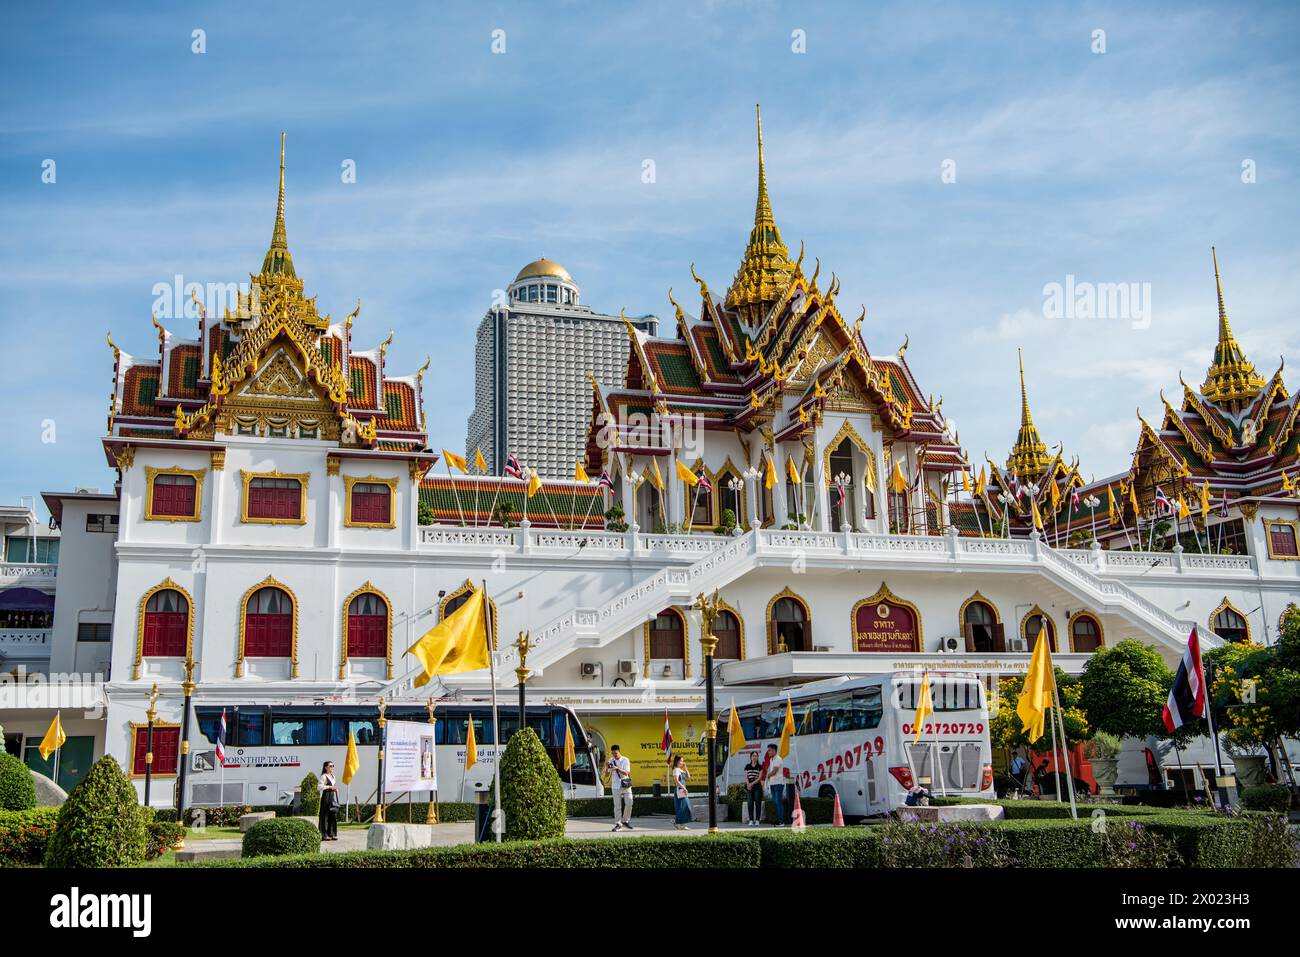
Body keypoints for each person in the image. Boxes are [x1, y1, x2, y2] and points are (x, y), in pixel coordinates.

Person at [605, 744, 634, 831]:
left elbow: (626, 773)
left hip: (625, 784)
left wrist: (617, 768)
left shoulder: (625, 760)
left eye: (616, 753)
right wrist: (607, 767)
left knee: (629, 802)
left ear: (619, 751)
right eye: (613, 753)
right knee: (617, 806)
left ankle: (625, 820)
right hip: (615, 786)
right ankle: (618, 823)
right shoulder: (611, 760)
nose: (614, 755)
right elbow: (606, 775)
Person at [762, 744, 789, 826]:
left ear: (774, 750)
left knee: (778, 802)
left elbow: (774, 771)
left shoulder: (778, 759)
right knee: (776, 802)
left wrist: (767, 775)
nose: (768, 752)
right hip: (773, 784)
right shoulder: (771, 760)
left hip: (778, 784)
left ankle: (781, 821)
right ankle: (779, 819)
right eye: (768, 750)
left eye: (770, 750)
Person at [318, 760, 339, 840]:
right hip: (326, 796)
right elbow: (319, 787)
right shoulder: (323, 776)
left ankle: (332, 833)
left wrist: (335, 789)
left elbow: (333, 785)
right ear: (326, 767)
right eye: (330, 766)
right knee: (325, 815)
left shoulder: (333, 776)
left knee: (332, 815)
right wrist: (329, 787)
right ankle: (324, 834)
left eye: (333, 766)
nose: (332, 767)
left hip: (332, 796)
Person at [742, 751, 763, 826]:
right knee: (750, 803)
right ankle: (751, 820)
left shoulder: (760, 766)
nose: (754, 757)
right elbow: (746, 776)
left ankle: (757, 820)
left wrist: (752, 784)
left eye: (756, 756)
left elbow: (760, 778)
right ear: (750, 757)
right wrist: (748, 784)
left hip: (757, 786)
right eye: (753, 756)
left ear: (757, 757)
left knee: (758, 803)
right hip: (749, 786)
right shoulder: (747, 766)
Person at [671, 755, 691, 830]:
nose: (682, 762)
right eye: (681, 761)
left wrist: (685, 768)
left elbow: (688, 776)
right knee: (682, 807)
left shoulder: (680, 770)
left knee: (684, 807)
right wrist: (684, 788)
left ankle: (681, 824)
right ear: (677, 761)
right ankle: (677, 822)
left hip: (682, 790)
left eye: (683, 761)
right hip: (679, 790)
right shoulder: (676, 770)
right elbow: (676, 781)